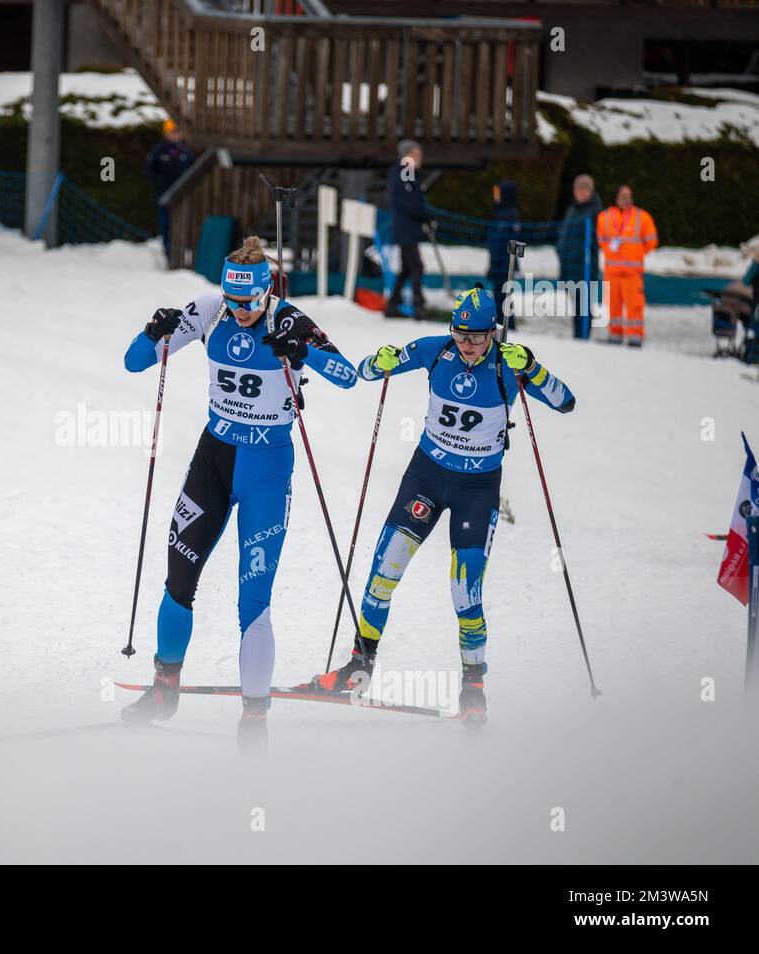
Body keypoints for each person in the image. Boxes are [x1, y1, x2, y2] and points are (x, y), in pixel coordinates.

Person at [121, 236, 360, 751]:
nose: (242, 312)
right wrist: (153, 331)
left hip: (267, 470)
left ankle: (255, 718)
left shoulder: (290, 319)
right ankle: (164, 688)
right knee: (178, 575)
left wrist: (305, 352)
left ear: (267, 291)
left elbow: (350, 376)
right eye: (234, 302)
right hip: (215, 459)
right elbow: (134, 362)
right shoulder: (208, 311)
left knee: (253, 600)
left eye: (251, 303)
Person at [299, 286, 576, 726]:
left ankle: (473, 687)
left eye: (476, 337)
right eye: (461, 335)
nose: (467, 345)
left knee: (465, 591)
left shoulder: (508, 364)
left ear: (493, 333)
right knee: (384, 567)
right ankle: (359, 665)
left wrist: (535, 370)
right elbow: (367, 372)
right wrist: (383, 359)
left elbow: (566, 402)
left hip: (477, 488)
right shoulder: (436, 351)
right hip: (426, 476)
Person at [597, 184, 658, 347]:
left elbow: (652, 242)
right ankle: (615, 334)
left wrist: (636, 253)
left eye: (629, 195)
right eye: (623, 196)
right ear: (616, 197)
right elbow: (601, 240)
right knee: (613, 307)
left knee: (635, 307)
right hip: (612, 272)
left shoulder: (642, 217)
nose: (627, 199)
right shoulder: (604, 217)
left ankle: (635, 337)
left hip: (632, 272)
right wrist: (610, 249)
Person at [385, 139, 434, 318]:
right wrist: (425, 215)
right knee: (416, 266)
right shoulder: (406, 171)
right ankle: (418, 305)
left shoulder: (408, 173)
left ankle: (393, 304)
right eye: (415, 155)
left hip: (408, 227)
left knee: (407, 267)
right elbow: (409, 201)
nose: (419, 158)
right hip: (407, 228)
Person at [556, 174, 602, 339]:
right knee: (575, 303)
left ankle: (582, 335)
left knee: (584, 303)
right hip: (568, 265)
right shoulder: (572, 209)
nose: (581, 192)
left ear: (590, 191)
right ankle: (577, 335)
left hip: (584, 267)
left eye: (585, 188)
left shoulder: (595, 212)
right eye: (578, 188)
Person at [145, 119, 194, 259]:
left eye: (178, 132)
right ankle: (167, 250)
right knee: (165, 223)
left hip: (182, 196)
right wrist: (160, 182)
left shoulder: (186, 151)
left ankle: (181, 249)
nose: (175, 135)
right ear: (166, 133)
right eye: (172, 132)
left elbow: (192, 168)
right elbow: (149, 171)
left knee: (183, 222)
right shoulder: (158, 151)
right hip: (164, 194)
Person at [486, 180, 522, 329]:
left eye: (498, 193)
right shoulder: (497, 213)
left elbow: (510, 242)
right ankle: (502, 323)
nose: (496, 197)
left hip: (505, 263)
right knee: (499, 295)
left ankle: (508, 325)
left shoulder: (510, 215)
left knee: (504, 295)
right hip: (497, 261)